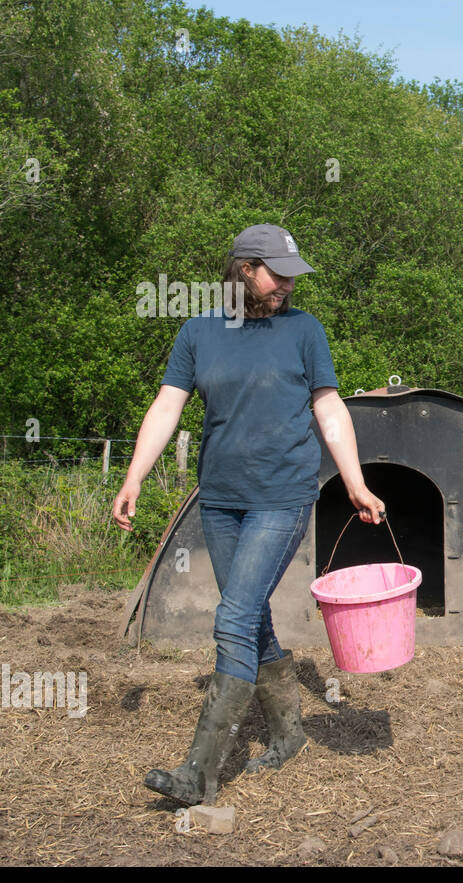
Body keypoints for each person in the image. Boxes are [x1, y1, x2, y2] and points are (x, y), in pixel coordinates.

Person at [112, 224, 385, 806]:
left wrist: (355, 483)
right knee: (251, 613)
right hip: (220, 499)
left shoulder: (303, 331)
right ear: (243, 269)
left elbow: (329, 406)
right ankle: (289, 733)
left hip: (281, 497)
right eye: (277, 272)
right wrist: (134, 475)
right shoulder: (199, 333)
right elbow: (168, 404)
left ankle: (198, 774)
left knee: (233, 617)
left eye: (291, 274)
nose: (287, 283)